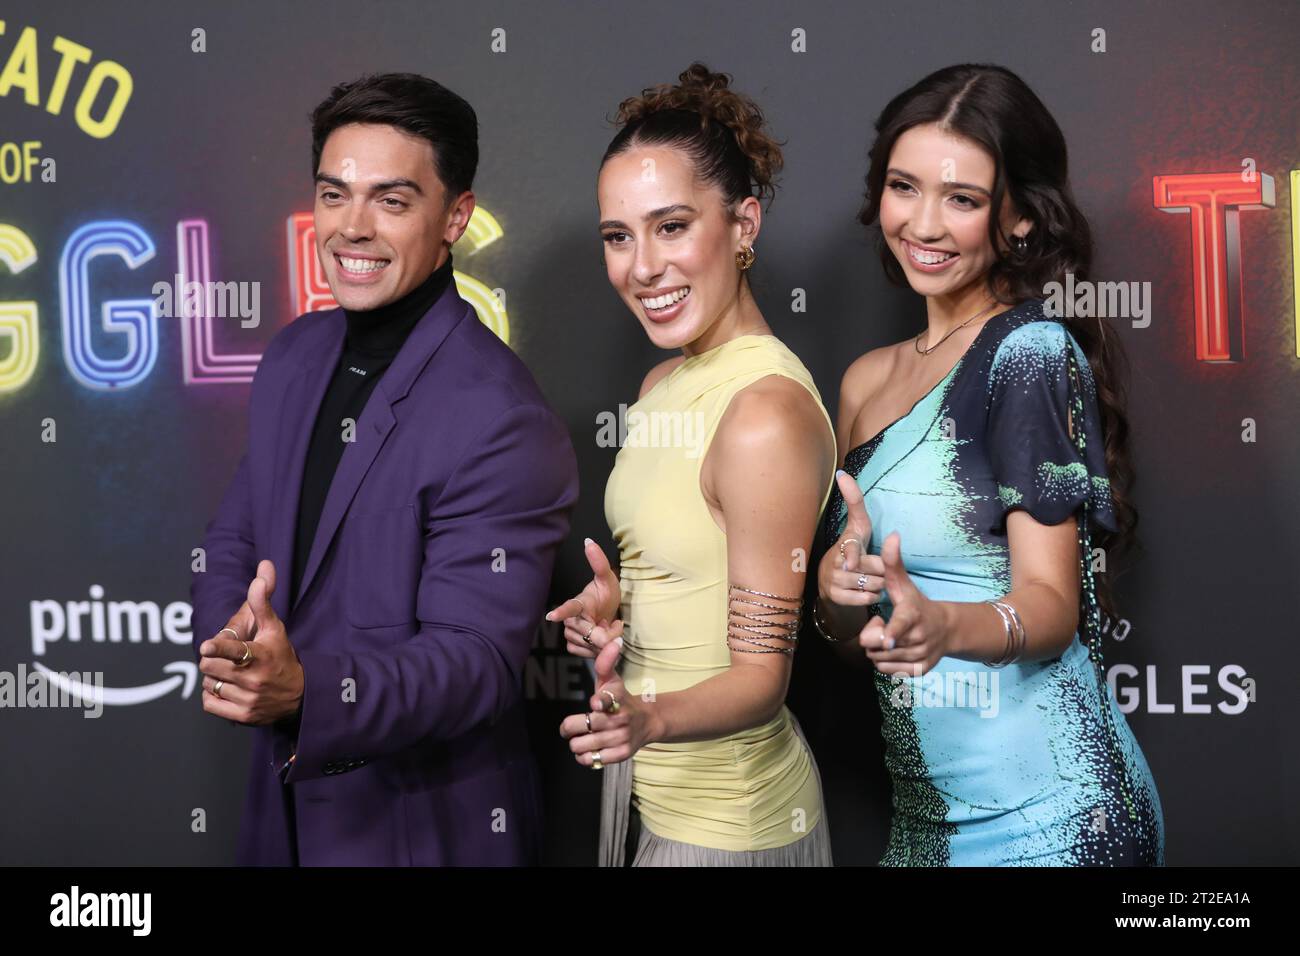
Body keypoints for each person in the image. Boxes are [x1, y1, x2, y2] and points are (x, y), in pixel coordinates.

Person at [189, 72, 578, 865]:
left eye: (392, 202)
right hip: (279, 809)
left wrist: (305, 690)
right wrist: (236, 644)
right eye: (335, 195)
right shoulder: (293, 356)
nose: (352, 228)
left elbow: (473, 662)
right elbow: (232, 540)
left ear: (456, 219)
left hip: (420, 828)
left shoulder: (500, 414)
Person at [816, 63, 1164, 866]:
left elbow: (1049, 608)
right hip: (926, 823)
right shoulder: (864, 380)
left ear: (1016, 221)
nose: (925, 224)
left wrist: (945, 626)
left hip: (1056, 816)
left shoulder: (1029, 355)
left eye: (962, 199)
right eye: (905, 188)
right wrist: (841, 594)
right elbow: (851, 642)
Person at [549, 63, 837, 866]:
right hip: (653, 793)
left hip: (733, 825)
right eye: (618, 236)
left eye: (671, 226)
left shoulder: (764, 413)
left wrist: (645, 717)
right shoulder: (662, 383)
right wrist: (625, 605)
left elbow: (759, 681)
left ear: (744, 226)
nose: (641, 266)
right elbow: (697, 571)